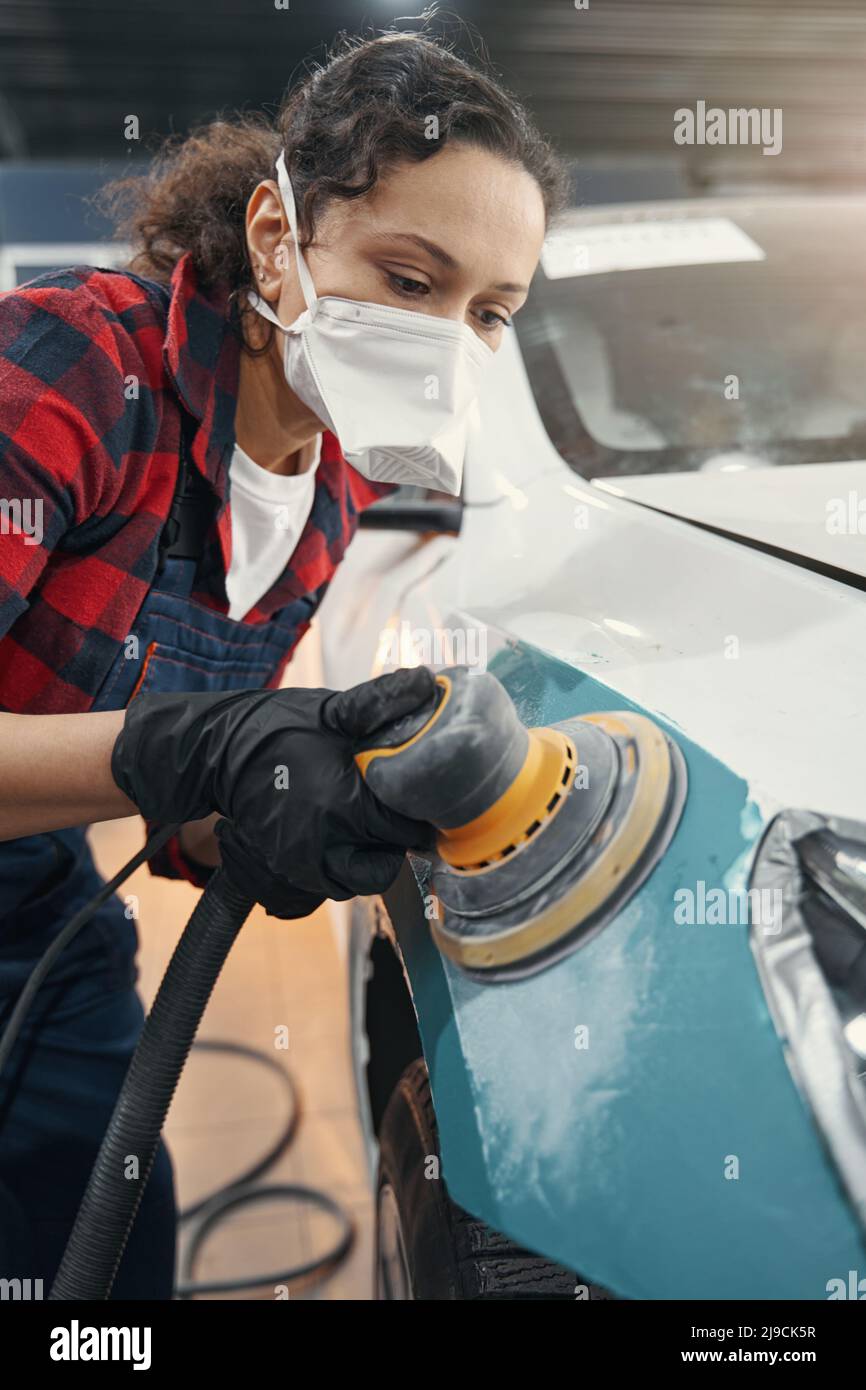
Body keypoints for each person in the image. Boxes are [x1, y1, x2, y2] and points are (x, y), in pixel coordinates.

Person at [0, 29, 567, 1297]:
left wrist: (285, 798)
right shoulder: (75, 366)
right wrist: (195, 745)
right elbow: (169, 737)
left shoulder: (336, 478)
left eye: (489, 312)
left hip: (31, 895)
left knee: (106, 1255)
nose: (446, 339)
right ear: (276, 237)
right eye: (409, 279)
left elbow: (181, 774)